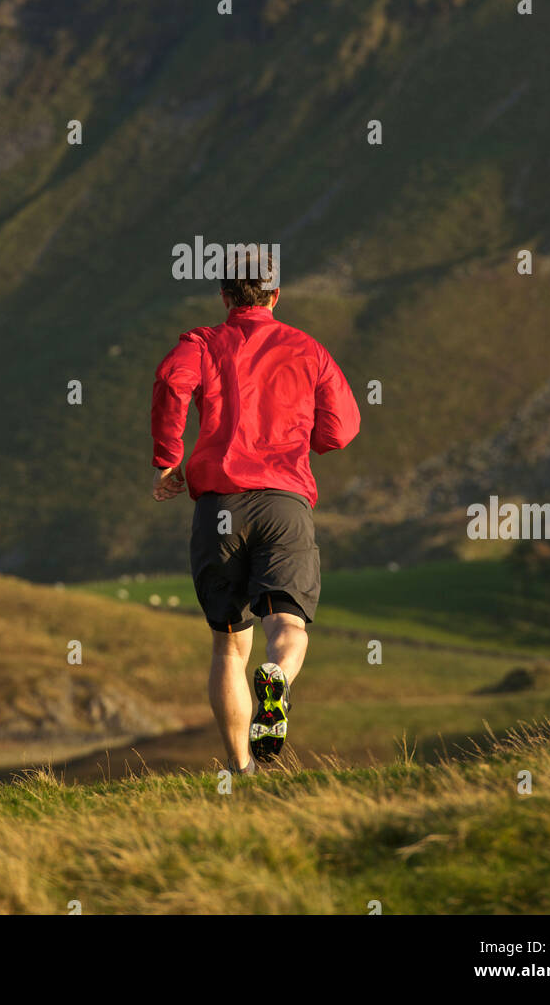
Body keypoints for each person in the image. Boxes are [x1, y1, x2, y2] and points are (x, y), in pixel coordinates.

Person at [150, 245, 361, 774]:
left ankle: (241, 767)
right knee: (288, 626)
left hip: (220, 507)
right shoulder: (308, 349)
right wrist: (300, 436)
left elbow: (172, 383)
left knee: (227, 648)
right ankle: (280, 679)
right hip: (284, 502)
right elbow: (341, 430)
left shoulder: (202, 342)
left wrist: (168, 458)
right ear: (276, 294)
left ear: (223, 295)